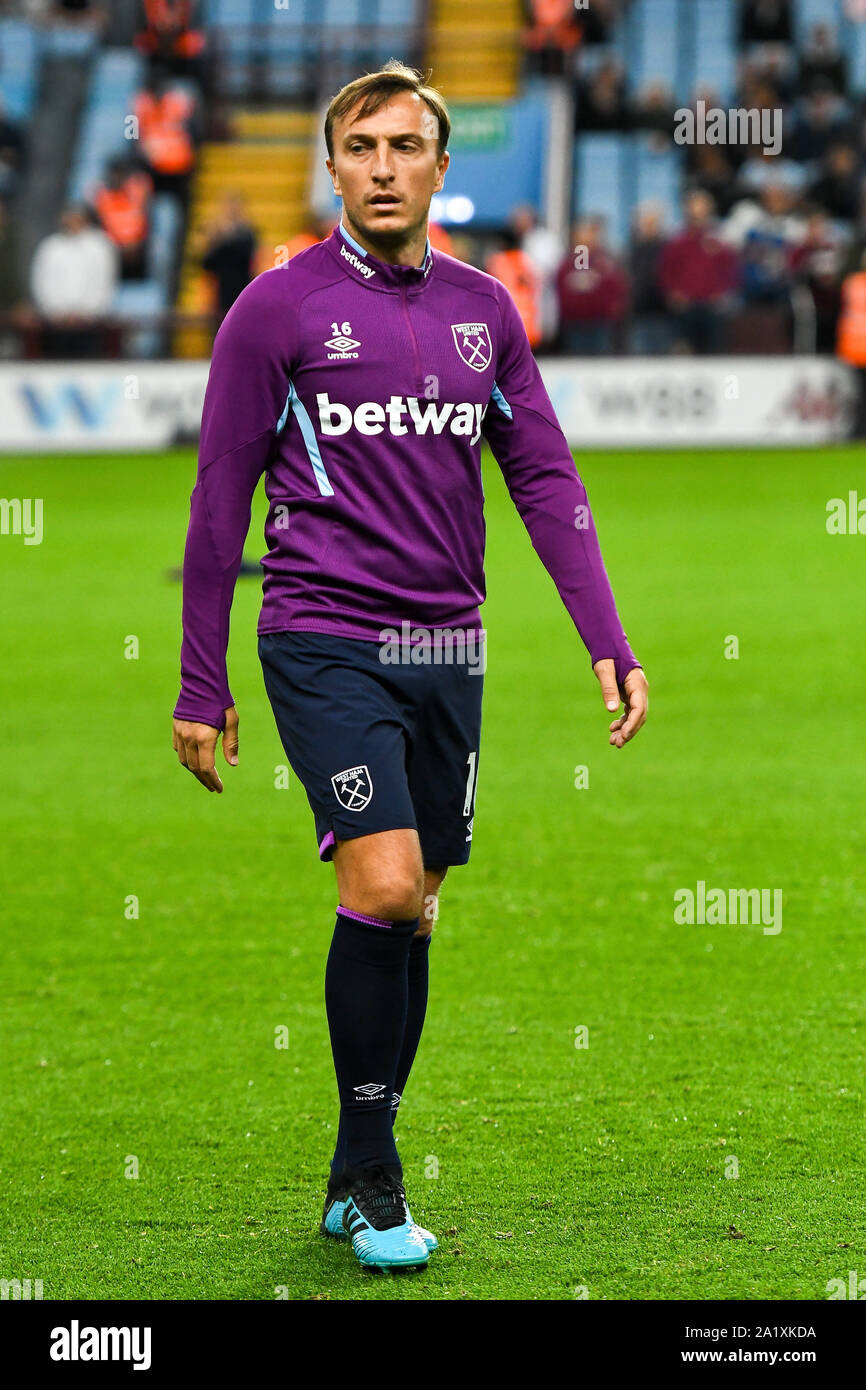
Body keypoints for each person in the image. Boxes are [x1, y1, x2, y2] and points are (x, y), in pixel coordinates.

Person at [171, 59, 647, 1273]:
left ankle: (348, 1163)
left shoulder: (486, 312)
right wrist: (198, 677)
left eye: (405, 147)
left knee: (417, 907)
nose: (382, 168)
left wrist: (605, 634)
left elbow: (543, 477)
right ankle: (381, 1181)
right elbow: (221, 494)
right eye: (361, 147)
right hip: (323, 634)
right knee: (384, 887)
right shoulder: (273, 311)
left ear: (441, 166)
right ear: (331, 165)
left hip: (448, 645)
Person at [657, 190, 740, 354]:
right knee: (684, 350)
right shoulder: (678, 240)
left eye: (702, 208)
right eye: (695, 208)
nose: (698, 213)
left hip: (713, 306)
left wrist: (723, 292)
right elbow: (666, 270)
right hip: (686, 307)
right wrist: (673, 293)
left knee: (715, 349)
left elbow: (731, 269)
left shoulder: (720, 238)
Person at [29, 204, 117, 357]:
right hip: (56, 322)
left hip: (90, 322)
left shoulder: (100, 246)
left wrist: (88, 312)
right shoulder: (51, 246)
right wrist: (55, 311)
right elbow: (41, 282)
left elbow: (104, 282)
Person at [555, 216, 629, 354]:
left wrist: (612, 311)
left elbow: (617, 288)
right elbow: (561, 288)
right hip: (574, 323)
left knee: (600, 364)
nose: (585, 237)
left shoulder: (606, 260)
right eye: (581, 233)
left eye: (589, 232)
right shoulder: (568, 262)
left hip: (600, 323)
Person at [198, 191, 255, 322]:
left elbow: (246, 257)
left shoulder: (247, 233)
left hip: (241, 292)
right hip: (220, 294)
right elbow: (206, 263)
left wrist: (225, 237)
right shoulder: (217, 234)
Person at [836, 251, 866, 436]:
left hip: (852, 348)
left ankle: (857, 431)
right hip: (859, 347)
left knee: (859, 394)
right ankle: (859, 432)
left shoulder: (852, 283)